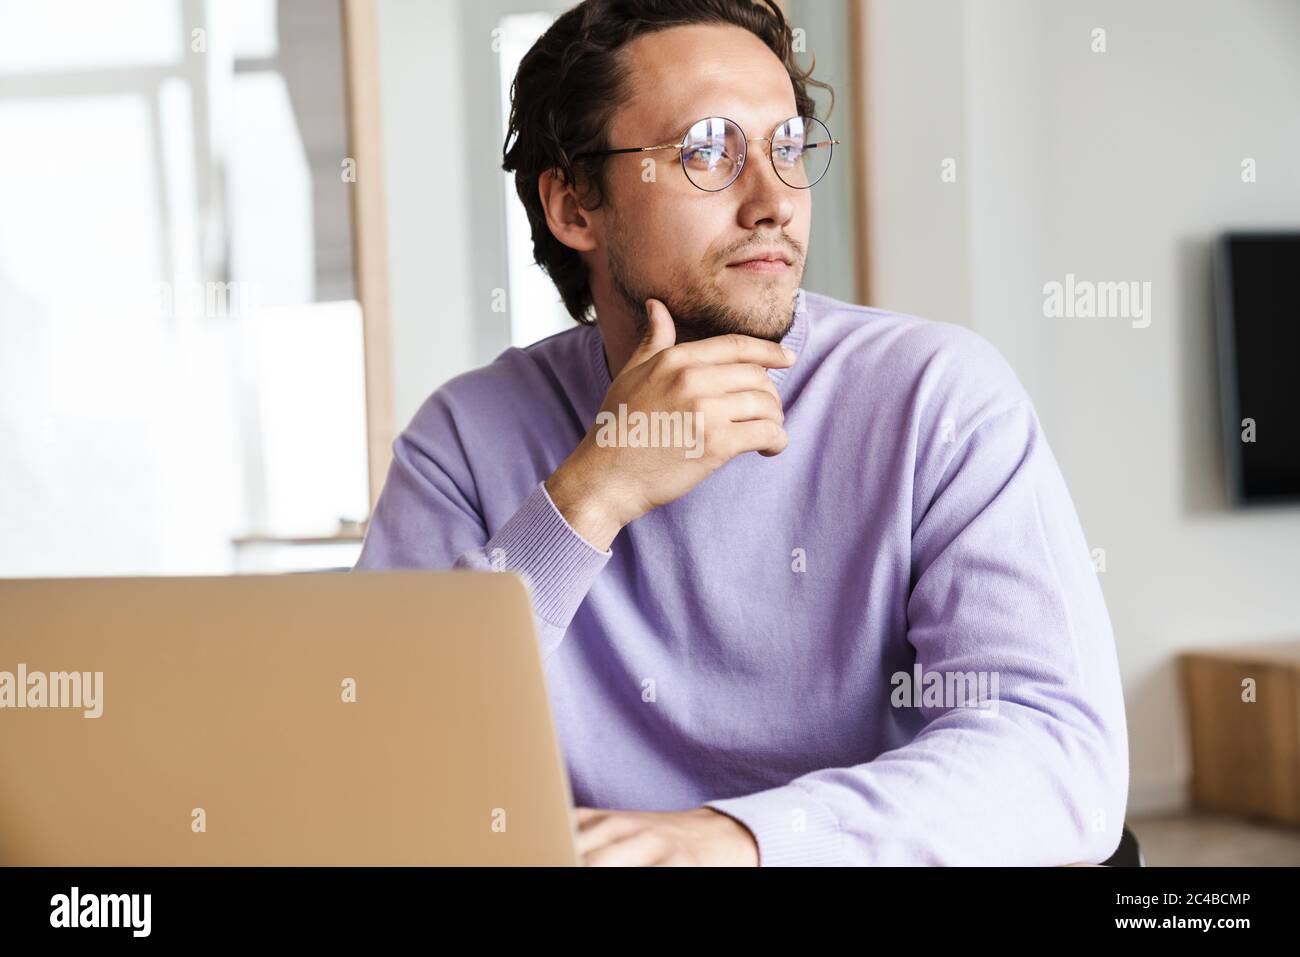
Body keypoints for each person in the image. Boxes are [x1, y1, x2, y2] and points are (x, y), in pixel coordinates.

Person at [355, 0, 1128, 866]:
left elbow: (1059, 757)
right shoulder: (463, 437)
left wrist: (738, 839)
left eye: (787, 147)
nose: (773, 202)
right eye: (707, 152)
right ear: (575, 205)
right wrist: (590, 497)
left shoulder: (937, 398)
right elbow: (377, 767)